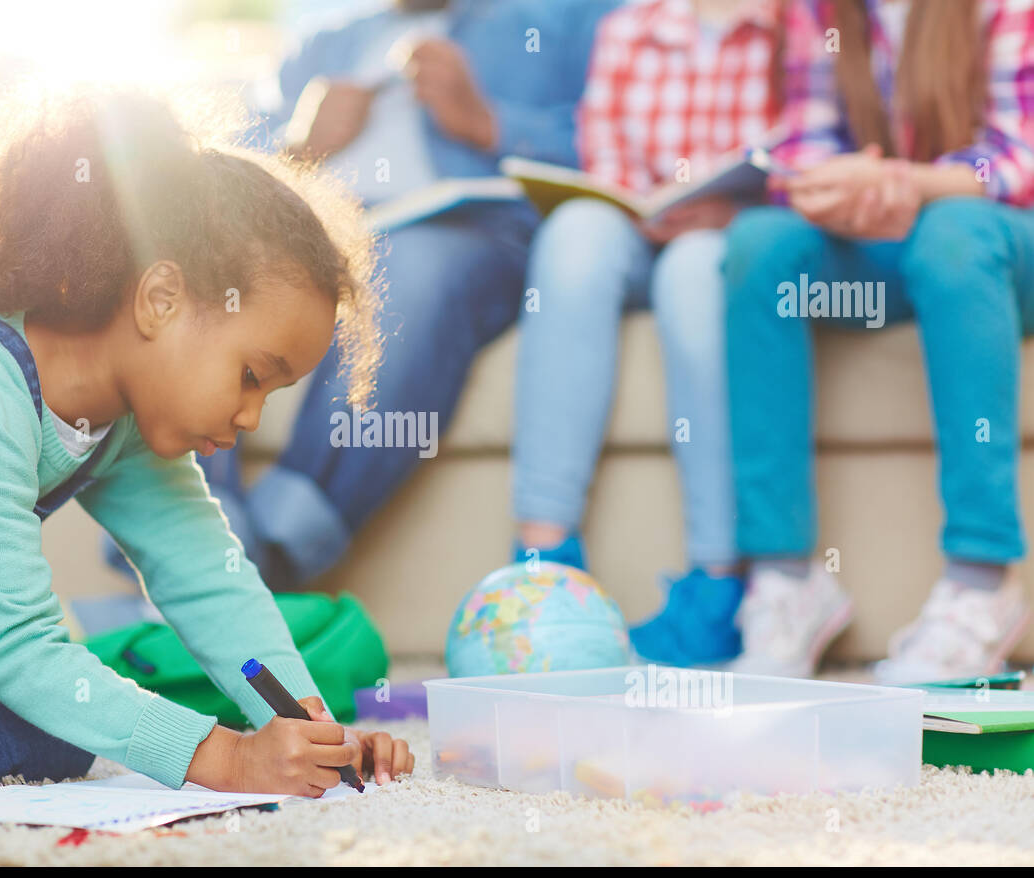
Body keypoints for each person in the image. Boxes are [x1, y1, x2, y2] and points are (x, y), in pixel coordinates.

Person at [0, 83, 413, 805]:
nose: (250, 417)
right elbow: (16, 647)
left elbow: (208, 580)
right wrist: (226, 759)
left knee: (57, 735)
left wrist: (309, 732)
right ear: (160, 300)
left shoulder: (127, 429)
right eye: (251, 376)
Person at [191, 0, 615, 589]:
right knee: (208, 264)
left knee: (409, 267)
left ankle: (273, 550)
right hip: (312, 233)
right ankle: (204, 536)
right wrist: (296, 145)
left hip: (457, 233)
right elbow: (218, 170)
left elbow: (619, 145)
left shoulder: (554, 20)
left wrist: (489, 122)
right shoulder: (323, 40)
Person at [724, 0, 1034, 680]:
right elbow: (808, 141)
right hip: (890, 236)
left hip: (997, 240)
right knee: (758, 244)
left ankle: (983, 584)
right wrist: (834, 187)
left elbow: (1019, 159)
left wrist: (903, 182)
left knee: (954, 231)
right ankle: (786, 581)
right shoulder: (819, 11)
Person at [510, 0, 784, 666]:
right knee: (574, 232)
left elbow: (807, 152)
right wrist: (638, 203)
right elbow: (607, 157)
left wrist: (732, 208)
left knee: (693, 274)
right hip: (640, 227)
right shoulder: (629, 28)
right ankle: (542, 564)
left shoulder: (797, 26)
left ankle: (719, 583)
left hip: (731, 235)